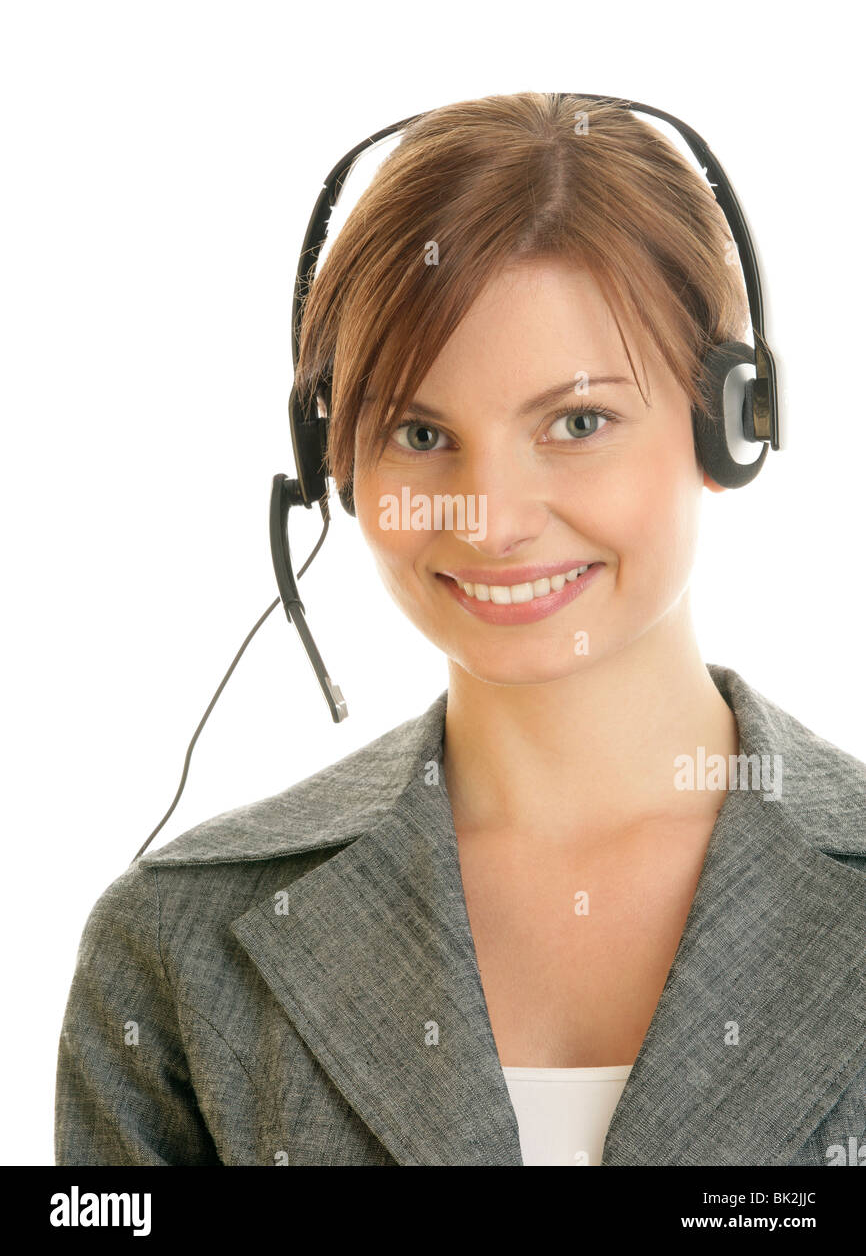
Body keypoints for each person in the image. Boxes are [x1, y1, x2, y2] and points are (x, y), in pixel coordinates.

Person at [55, 93, 866, 1166]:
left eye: (577, 422)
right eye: (419, 431)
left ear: (728, 425)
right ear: (333, 466)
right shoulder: (177, 948)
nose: (488, 518)